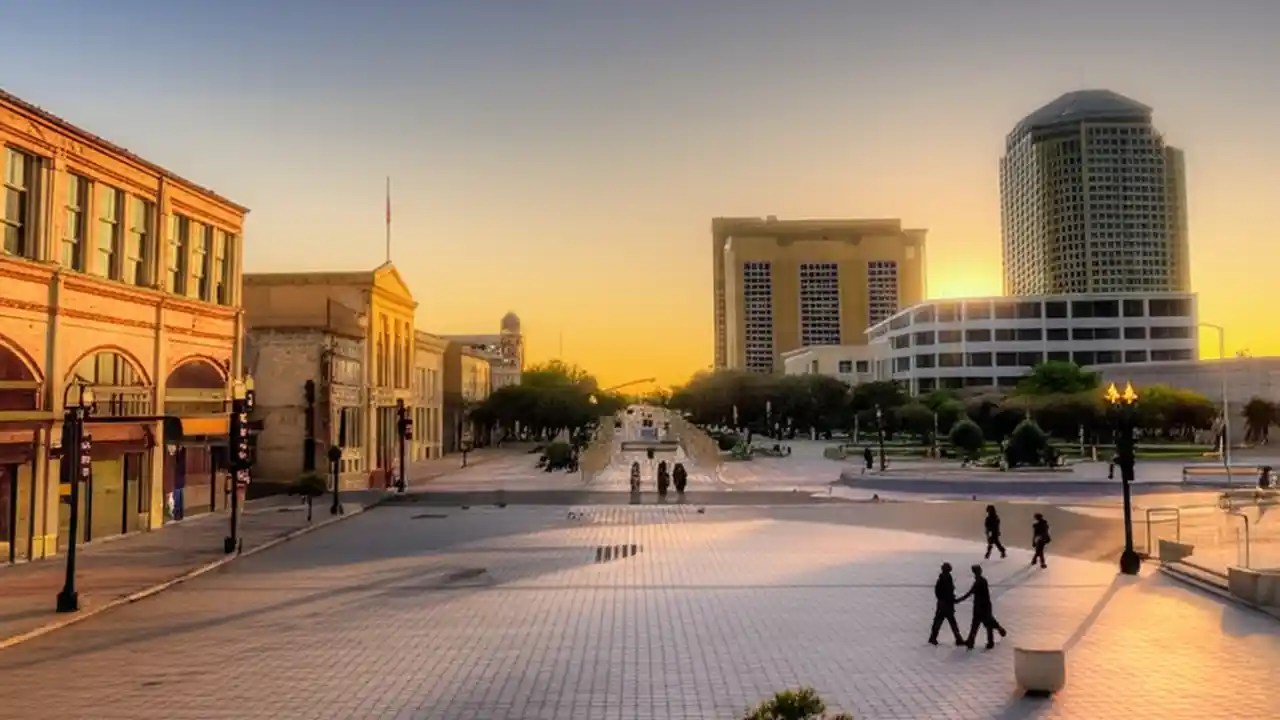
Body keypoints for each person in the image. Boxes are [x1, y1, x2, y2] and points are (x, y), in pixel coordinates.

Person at [957, 564, 1006, 650]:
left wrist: (959, 600)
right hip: (983, 606)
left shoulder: (979, 582)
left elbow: (970, 593)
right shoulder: (981, 581)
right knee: (983, 624)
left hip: (982, 607)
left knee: (984, 624)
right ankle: (977, 641)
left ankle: (985, 640)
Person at [928, 563, 965, 646]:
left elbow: (943, 591)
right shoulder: (943, 580)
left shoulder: (946, 578)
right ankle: (958, 639)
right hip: (945, 605)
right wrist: (949, 599)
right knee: (947, 622)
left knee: (942, 622)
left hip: (945, 604)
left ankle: (933, 637)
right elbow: (940, 592)